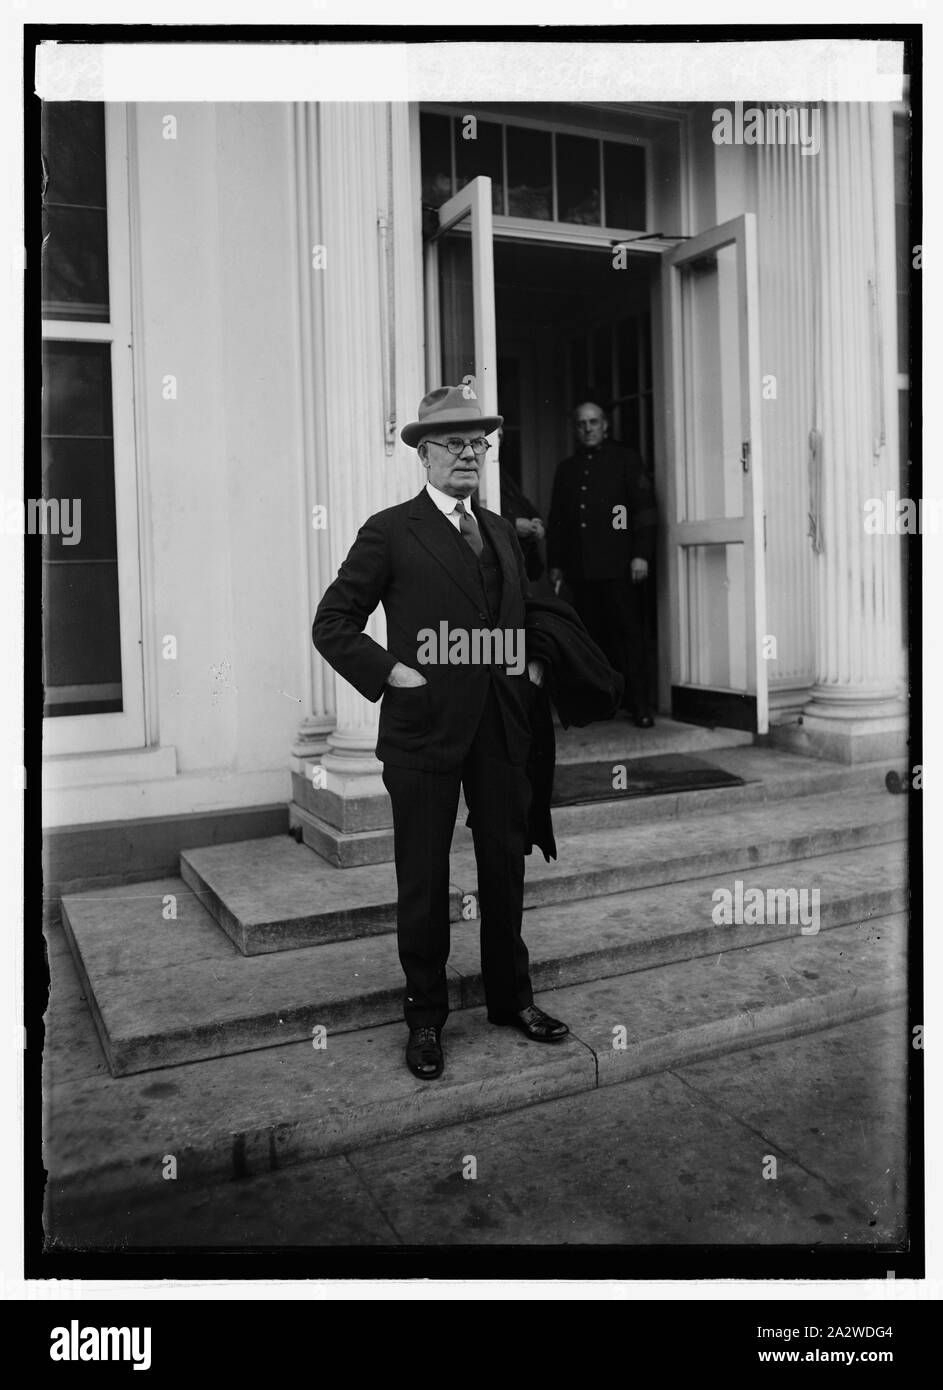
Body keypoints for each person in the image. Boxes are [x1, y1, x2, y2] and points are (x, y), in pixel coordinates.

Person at [312, 385, 570, 1082]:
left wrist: (532, 666)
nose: (467, 455)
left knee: (503, 869)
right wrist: (393, 673)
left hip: (500, 728)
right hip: (423, 731)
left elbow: (519, 616)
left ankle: (510, 999)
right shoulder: (390, 530)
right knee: (423, 881)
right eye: (452, 443)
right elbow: (332, 622)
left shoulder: (499, 530)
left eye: (476, 443)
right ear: (422, 454)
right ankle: (425, 1018)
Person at [547, 397, 658, 727]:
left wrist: (641, 554)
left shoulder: (625, 460)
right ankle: (603, 705)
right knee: (591, 641)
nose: (587, 429)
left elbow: (645, 510)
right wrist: (556, 562)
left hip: (620, 567)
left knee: (628, 637)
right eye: (581, 424)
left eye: (593, 422)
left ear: (605, 425)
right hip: (581, 570)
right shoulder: (567, 469)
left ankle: (640, 706)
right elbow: (558, 522)